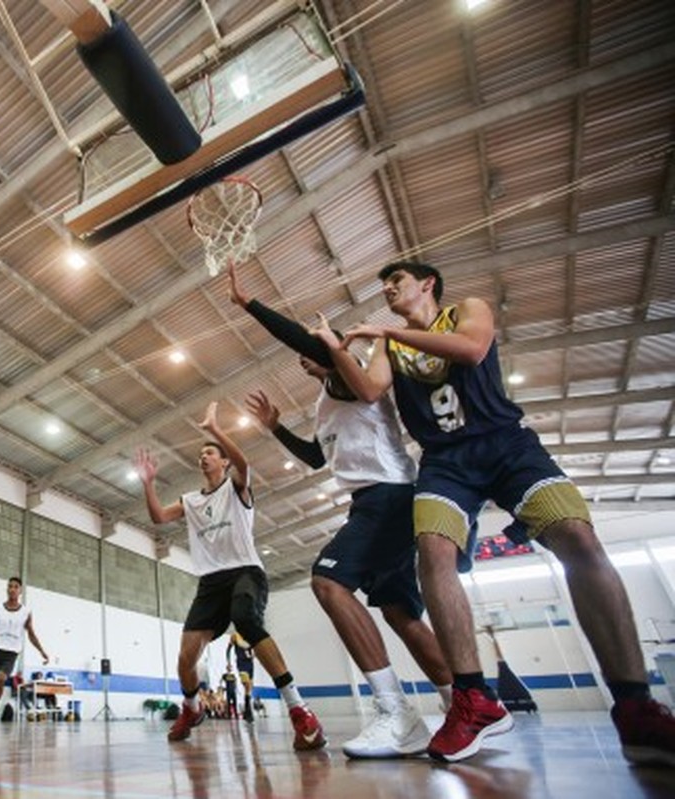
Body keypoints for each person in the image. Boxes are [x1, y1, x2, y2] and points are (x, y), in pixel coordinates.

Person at [328, 260, 675, 765]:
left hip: (507, 446)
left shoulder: (468, 309)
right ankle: (473, 700)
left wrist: (386, 331)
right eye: (383, 285)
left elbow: (471, 348)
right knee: (433, 550)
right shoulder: (391, 343)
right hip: (446, 461)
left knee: (579, 539)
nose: (386, 290)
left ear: (427, 284)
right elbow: (369, 389)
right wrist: (339, 353)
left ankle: (635, 705)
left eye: (395, 282)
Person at [228, 264, 454, 758]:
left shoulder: (347, 381)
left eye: (315, 351)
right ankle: (462, 703)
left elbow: (312, 347)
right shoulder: (329, 403)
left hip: (387, 497)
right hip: (378, 500)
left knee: (328, 581)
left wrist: (251, 305)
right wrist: (274, 428)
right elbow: (315, 457)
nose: (306, 358)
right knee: (400, 613)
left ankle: (396, 712)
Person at [135, 402, 326, 749]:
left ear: (222, 462)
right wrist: (148, 483)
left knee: (245, 619)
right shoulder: (191, 500)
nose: (204, 457)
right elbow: (160, 517)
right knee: (185, 658)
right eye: (202, 454)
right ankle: (192, 709)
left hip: (245, 571)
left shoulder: (236, 488)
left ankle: (299, 709)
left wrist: (214, 429)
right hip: (210, 582)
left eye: (210, 453)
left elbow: (244, 464)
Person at [0, 576, 49, 727]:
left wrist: (42, 651)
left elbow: (31, 634)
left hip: (10, 654)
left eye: (15, 587)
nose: (12, 589)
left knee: (1, 678)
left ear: (20, 591)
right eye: (10, 586)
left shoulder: (26, 612)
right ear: (7, 589)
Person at [225, 632, 256, 722]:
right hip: (241, 663)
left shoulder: (250, 635)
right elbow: (228, 649)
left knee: (250, 687)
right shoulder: (235, 635)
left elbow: (254, 648)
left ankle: (247, 710)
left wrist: (253, 654)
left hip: (250, 663)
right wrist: (228, 662)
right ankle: (248, 710)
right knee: (246, 684)